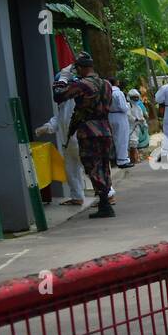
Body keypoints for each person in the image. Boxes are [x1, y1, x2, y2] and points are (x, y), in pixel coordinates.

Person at [52, 52, 115, 218]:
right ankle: (105, 202)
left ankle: (105, 203)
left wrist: (63, 78)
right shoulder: (106, 84)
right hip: (105, 129)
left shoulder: (83, 84)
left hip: (89, 131)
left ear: (80, 68)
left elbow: (58, 96)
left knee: (91, 166)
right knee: (103, 166)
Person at [49, 63, 87, 206]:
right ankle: (77, 196)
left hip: (78, 138)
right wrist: (47, 127)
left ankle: (108, 194)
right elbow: (59, 119)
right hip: (68, 141)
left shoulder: (76, 99)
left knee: (90, 167)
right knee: (71, 170)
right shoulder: (64, 103)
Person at [107, 77, 132, 168]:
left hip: (110, 115)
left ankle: (115, 158)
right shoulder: (118, 93)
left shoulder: (107, 92)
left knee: (114, 138)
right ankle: (122, 160)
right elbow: (123, 107)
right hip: (120, 116)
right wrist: (128, 106)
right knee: (122, 138)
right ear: (116, 82)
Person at [127, 88, 146, 165]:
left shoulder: (138, 107)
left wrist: (143, 123)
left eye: (136, 97)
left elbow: (141, 116)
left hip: (137, 127)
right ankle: (133, 159)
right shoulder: (128, 106)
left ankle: (134, 158)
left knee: (134, 143)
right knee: (132, 142)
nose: (135, 99)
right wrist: (136, 119)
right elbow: (128, 116)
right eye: (133, 97)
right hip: (130, 127)